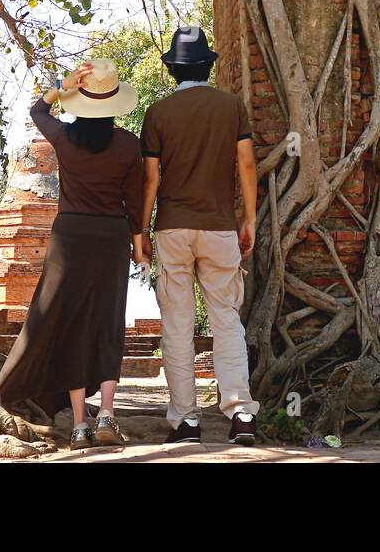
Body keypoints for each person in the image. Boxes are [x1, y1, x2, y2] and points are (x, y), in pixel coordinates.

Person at [0, 59, 147, 450]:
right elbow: (135, 201)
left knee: (74, 325)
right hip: (111, 236)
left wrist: (61, 86)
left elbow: (37, 110)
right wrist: (139, 241)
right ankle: (108, 416)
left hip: (70, 236)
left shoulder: (63, 138)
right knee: (109, 321)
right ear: (113, 104)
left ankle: (80, 425)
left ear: (82, 102)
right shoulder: (130, 145)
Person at [137, 26, 260, 445]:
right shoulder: (231, 107)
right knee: (226, 320)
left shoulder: (157, 113)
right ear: (209, 65)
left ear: (173, 71)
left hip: (172, 227)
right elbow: (246, 165)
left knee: (177, 325)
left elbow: (150, 179)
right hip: (220, 226)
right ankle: (241, 414)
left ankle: (186, 421)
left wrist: (141, 228)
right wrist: (251, 219)